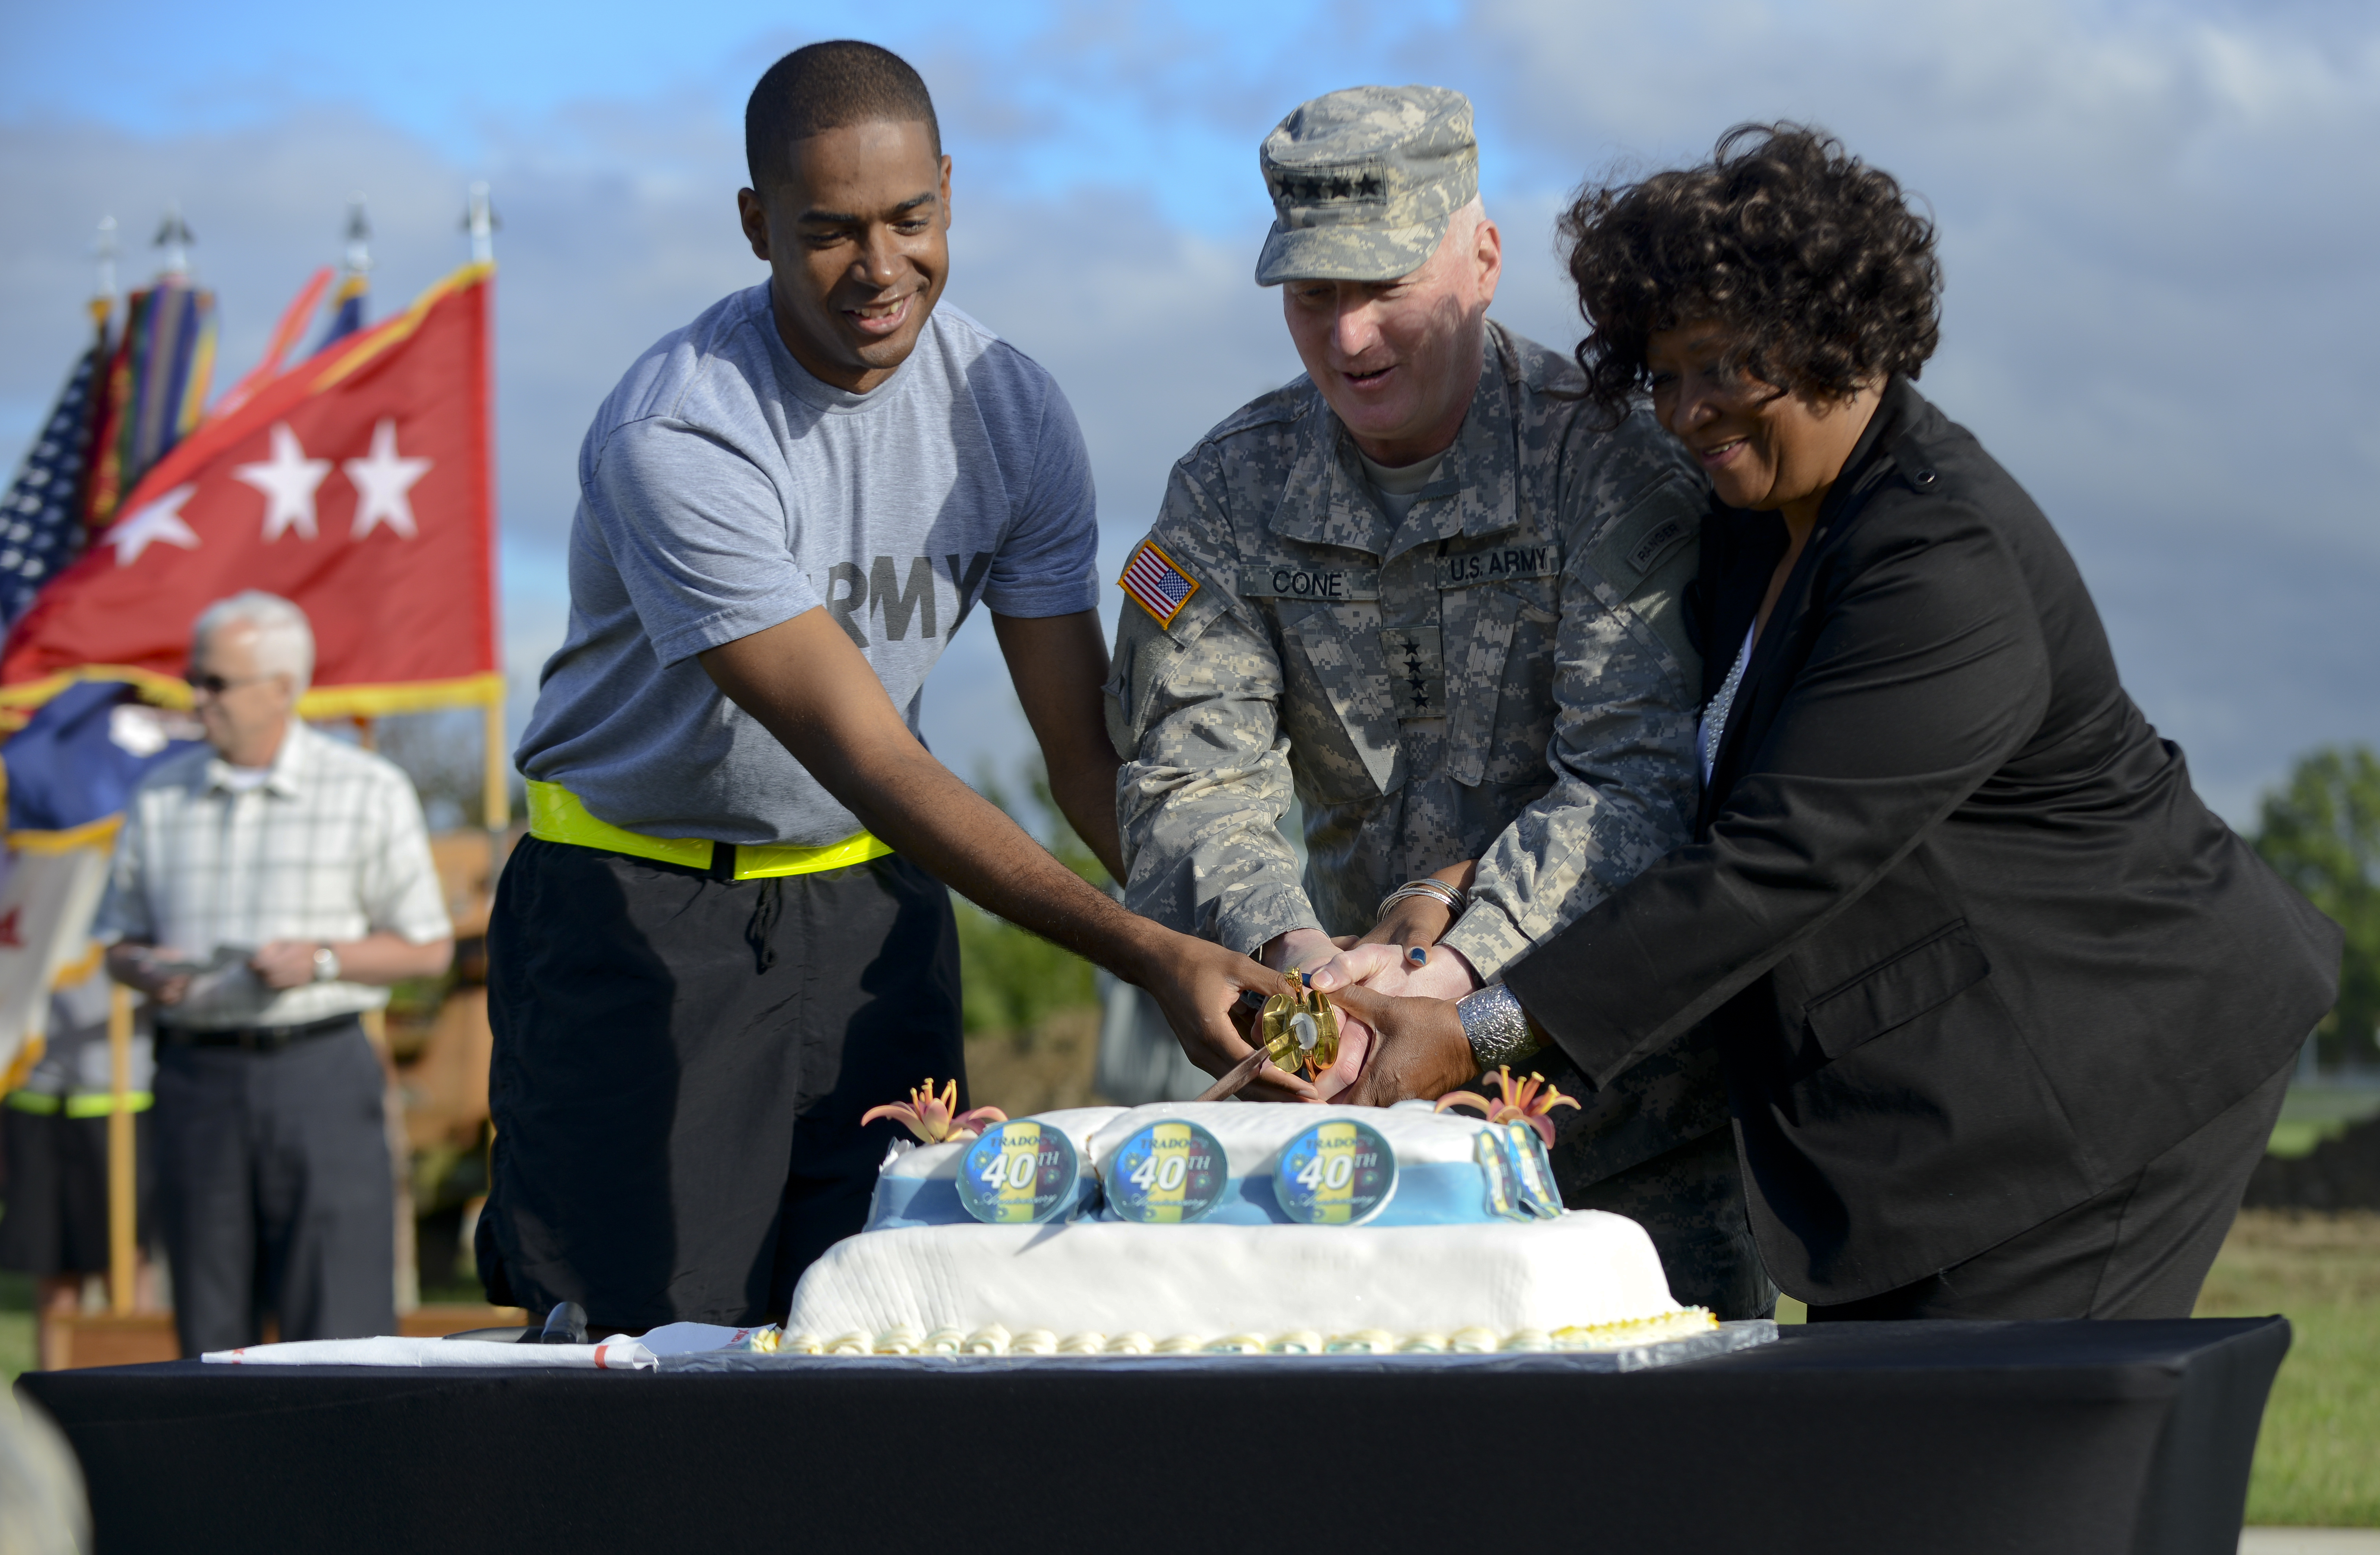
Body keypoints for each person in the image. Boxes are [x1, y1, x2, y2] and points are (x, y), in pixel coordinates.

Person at [1332, 125, 2342, 1320]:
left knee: (1991, 1468)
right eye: (1662, 374)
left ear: (1838, 333)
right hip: (1942, 1081)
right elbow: (1674, 772)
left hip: (2105, 1062)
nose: (1688, 412)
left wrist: (1477, 1029)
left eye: (1723, 367)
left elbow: (1766, 863)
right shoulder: (1760, 511)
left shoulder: (1939, 562)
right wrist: (1465, 879)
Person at [490, 40, 1288, 1334]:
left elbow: (1085, 755)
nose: (879, 268)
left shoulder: (1011, 412)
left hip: (872, 914)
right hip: (638, 923)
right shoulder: (677, 432)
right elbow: (867, 748)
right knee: (649, 1357)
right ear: (756, 223)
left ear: (951, 194)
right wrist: (1150, 953)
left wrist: (1266, 955)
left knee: (887, 1319)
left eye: (910, 219)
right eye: (830, 231)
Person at [1107, 85, 1769, 1317]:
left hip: (1625, 1126)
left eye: (1384, 286)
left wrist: (1454, 968)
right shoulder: (1224, 496)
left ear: (1481, 259)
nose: (1350, 336)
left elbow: (1635, 780)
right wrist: (1297, 971)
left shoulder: (1612, 463)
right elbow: (1184, 776)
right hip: (1361, 1139)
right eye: (1313, 295)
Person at [101, 592, 455, 1354]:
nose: (196, 697)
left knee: (340, 1322)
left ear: (282, 687)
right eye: (195, 678)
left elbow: (426, 947)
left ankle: (346, 1474)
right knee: (209, 1324)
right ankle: (218, 1476)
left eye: (215, 681)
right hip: (195, 1080)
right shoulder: (161, 796)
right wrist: (143, 968)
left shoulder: (367, 788)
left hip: (320, 1072)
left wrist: (322, 958)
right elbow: (117, 941)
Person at [0, 972, 160, 1371]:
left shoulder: (121, 910)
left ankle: (139, 1396)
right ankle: (55, 1407)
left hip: (118, 1100)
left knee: (125, 1267)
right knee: (53, 1272)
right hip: (32, 1096)